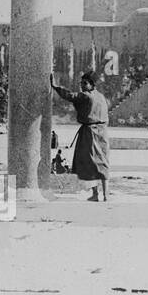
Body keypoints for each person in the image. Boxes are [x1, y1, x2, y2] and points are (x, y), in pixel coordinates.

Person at [51, 70, 110, 202]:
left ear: (92, 85)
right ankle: (104, 195)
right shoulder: (101, 97)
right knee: (102, 164)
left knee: (91, 163)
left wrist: (55, 87)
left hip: (90, 133)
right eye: (81, 83)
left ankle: (98, 194)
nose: (82, 86)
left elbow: (70, 95)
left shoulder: (86, 96)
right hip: (102, 133)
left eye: (85, 83)